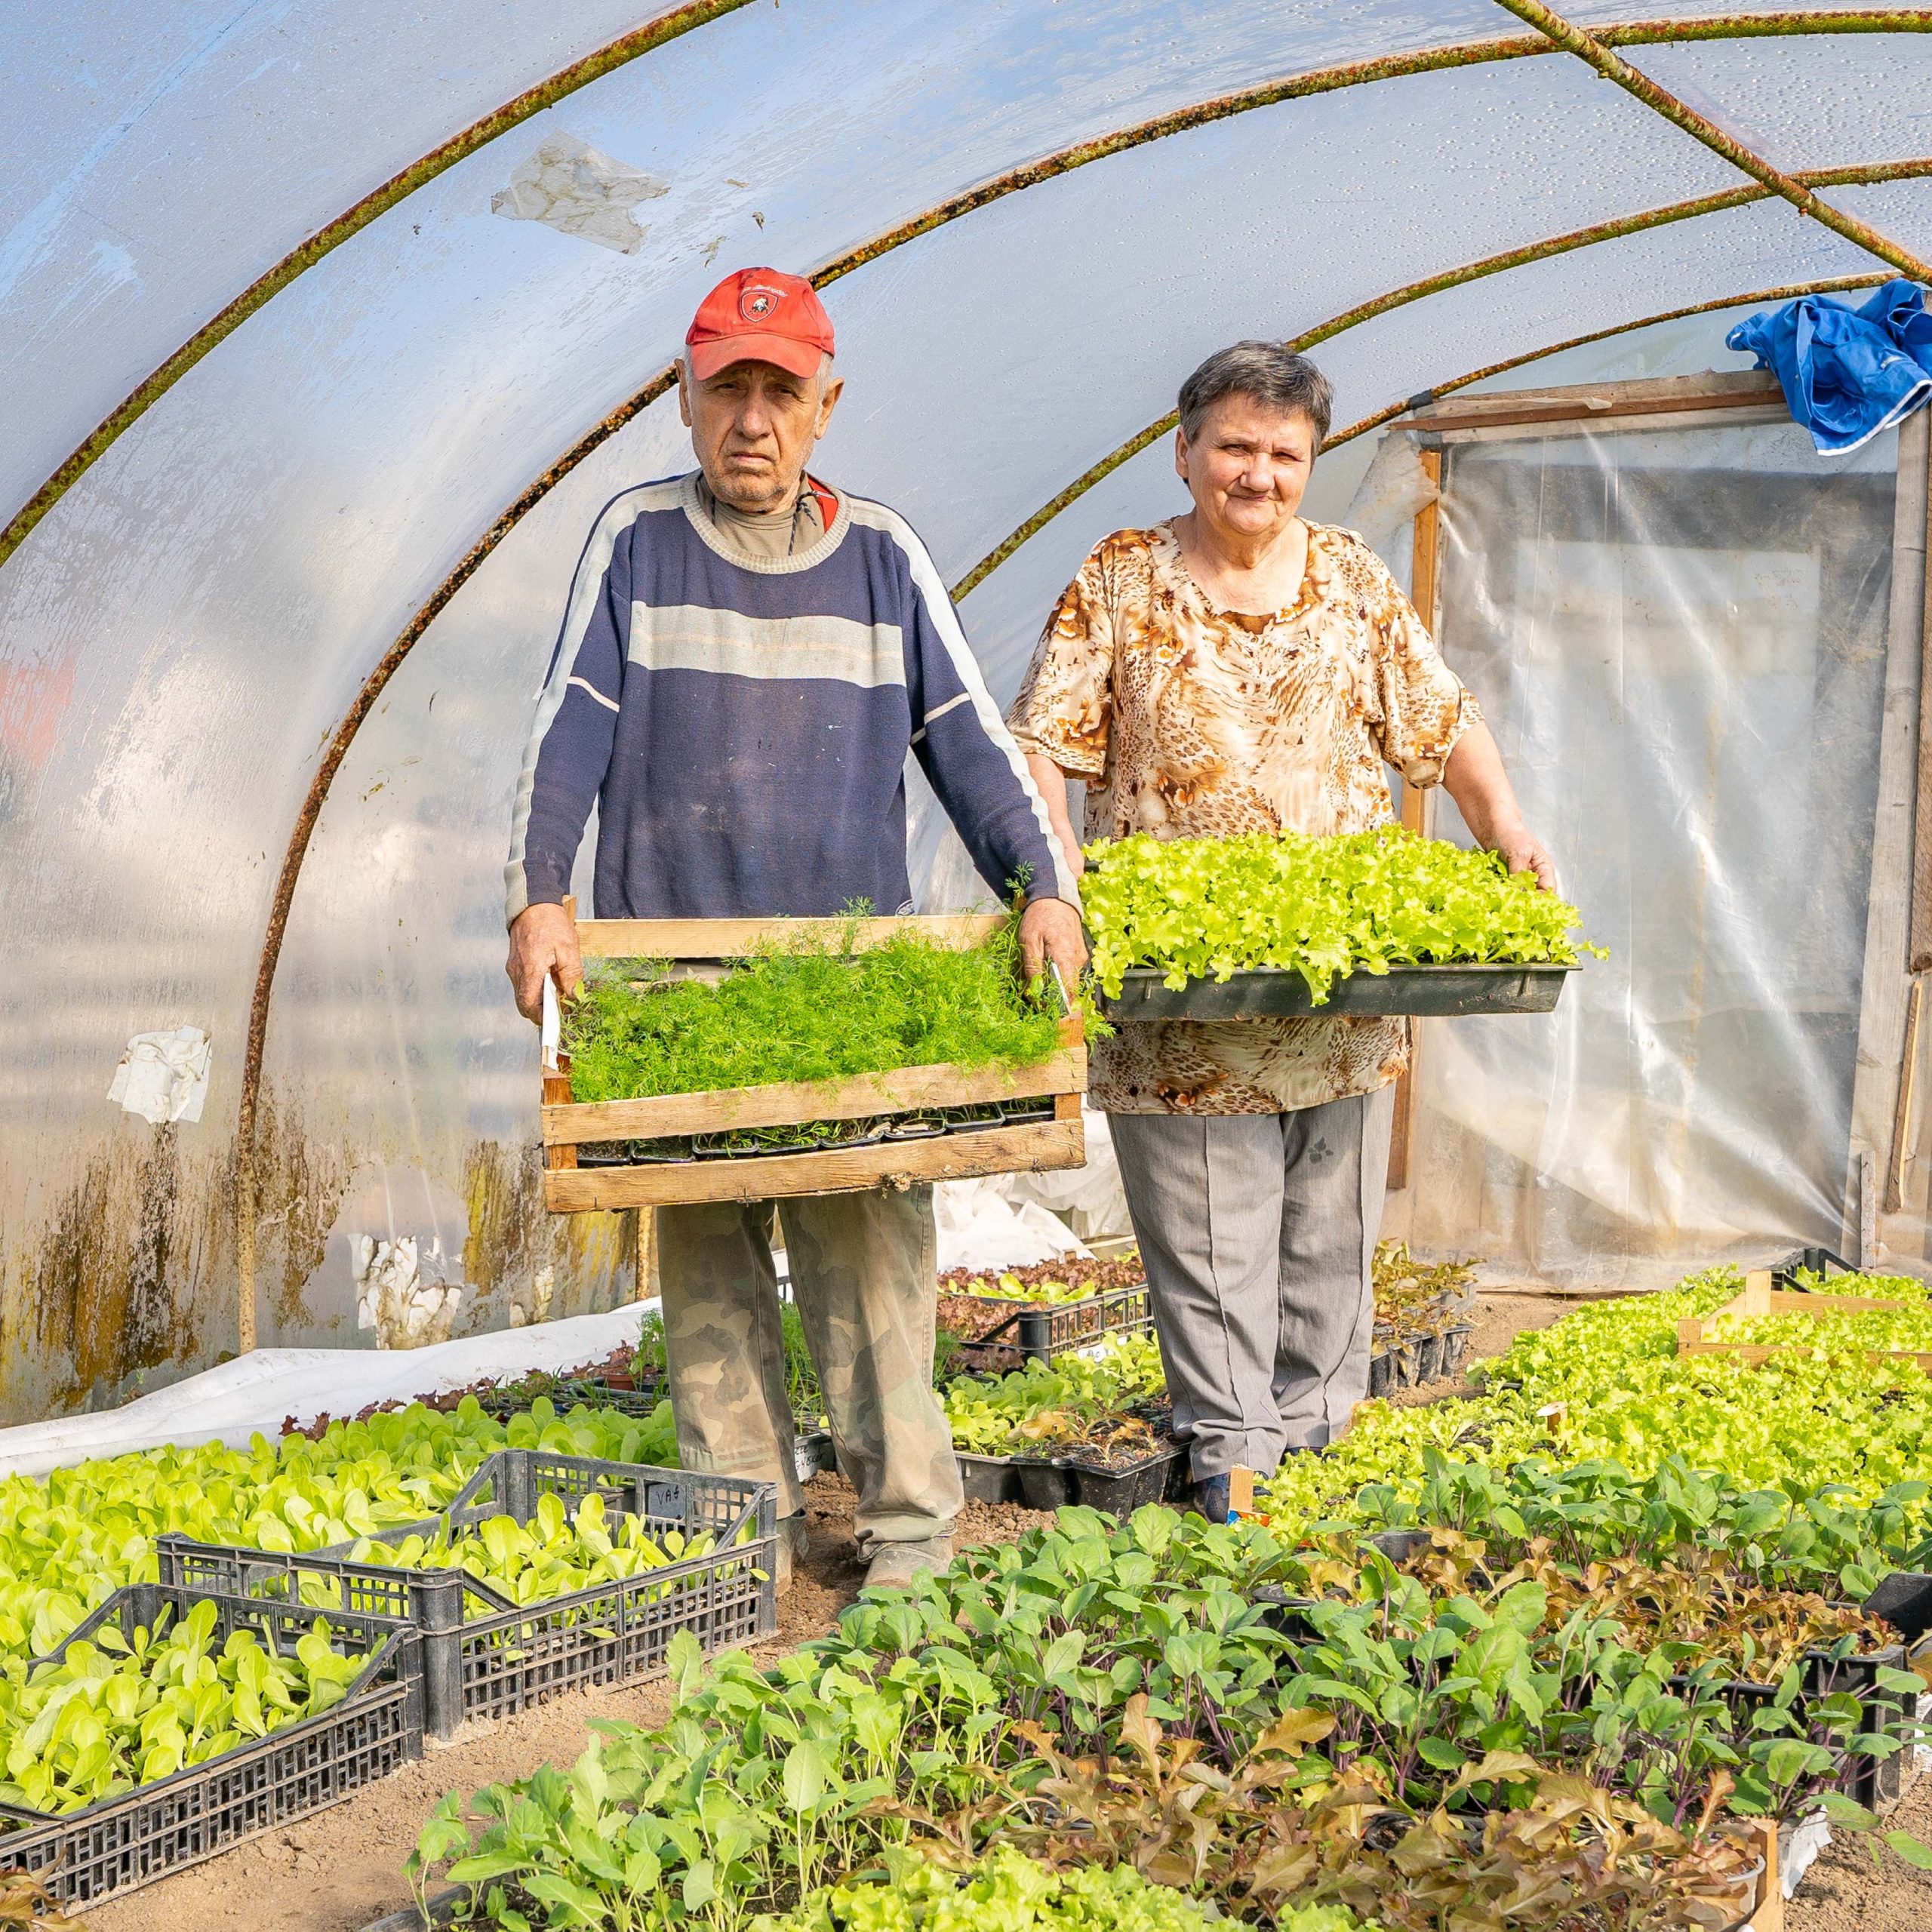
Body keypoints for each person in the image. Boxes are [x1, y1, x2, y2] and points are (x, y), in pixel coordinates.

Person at [503, 267, 1088, 1589]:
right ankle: (739, 1537)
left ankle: (907, 1531)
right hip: (677, 993)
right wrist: (541, 891)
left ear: (827, 405)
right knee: (709, 1273)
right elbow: (569, 728)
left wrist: (1041, 886)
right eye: (728, 392)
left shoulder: (883, 557)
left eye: (781, 393)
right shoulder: (636, 545)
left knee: (871, 1267)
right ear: (685, 398)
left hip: (847, 989)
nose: (752, 422)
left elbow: (975, 749)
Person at [1007, 340, 1552, 1521]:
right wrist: (1052, 881)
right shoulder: (1121, 578)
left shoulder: (1352, 576)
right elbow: (1045, 742)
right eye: (1236, 447)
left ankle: (1321, 1446)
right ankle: (1232, 1463)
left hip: (1342, 997)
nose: (1259, 474)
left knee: (1328, 1234)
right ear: (1185, 448)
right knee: (1212, 1238)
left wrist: (1506, 830)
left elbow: (1441, 720)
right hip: (1182, 1009)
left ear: (1312, 462)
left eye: (1285, 454)